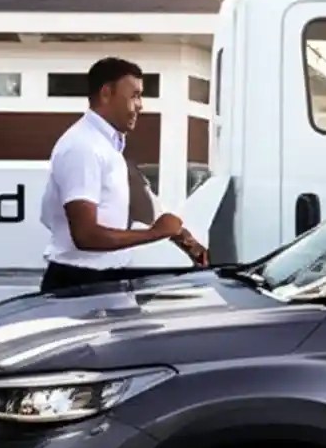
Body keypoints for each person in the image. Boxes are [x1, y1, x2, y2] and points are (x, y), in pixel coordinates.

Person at [38, 57, 207, 292]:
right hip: (80, 283)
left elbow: (134, 208)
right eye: (135, 95)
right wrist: (155, 233)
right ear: (106, 93)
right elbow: (86, 235)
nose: (140, 105)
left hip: (104, 279)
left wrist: (183, 239)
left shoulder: (109, 146)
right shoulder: (83, 147)